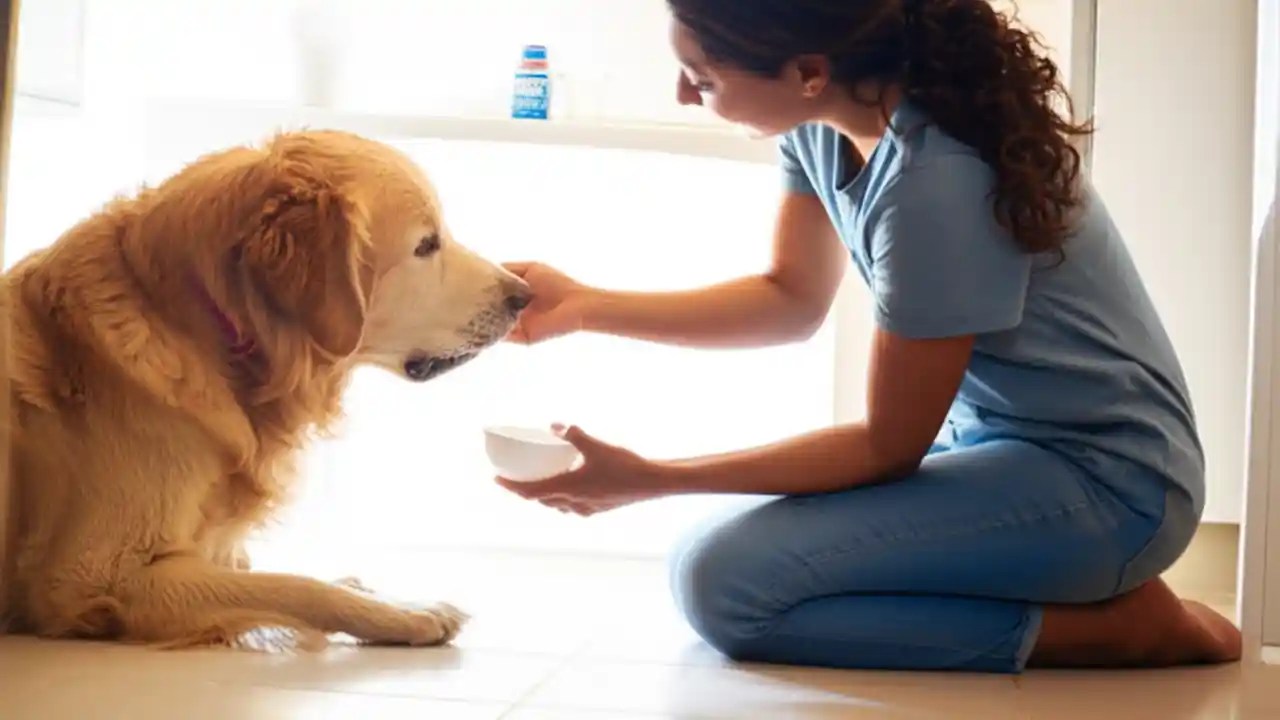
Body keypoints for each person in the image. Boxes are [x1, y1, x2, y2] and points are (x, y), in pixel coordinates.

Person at [495, 0, 1242, 673]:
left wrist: (652, 477)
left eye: (701, 75)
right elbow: (788, 299)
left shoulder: (935, 182)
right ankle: (1071, 597)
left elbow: (889, 446)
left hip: (1108, 486)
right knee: (711, 566)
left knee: (726, 588)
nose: (684, 94)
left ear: (809, 70)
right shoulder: (823, 127)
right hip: (1000, 450)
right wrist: (586, 305)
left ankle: (1121, 633)